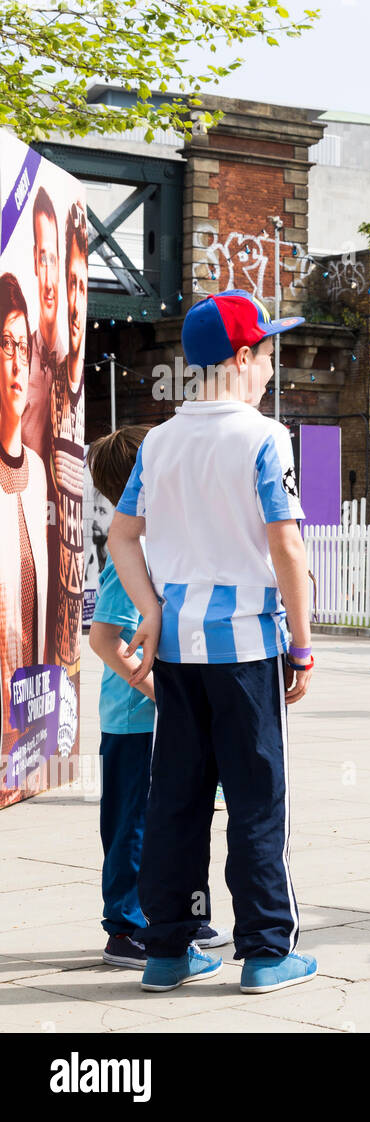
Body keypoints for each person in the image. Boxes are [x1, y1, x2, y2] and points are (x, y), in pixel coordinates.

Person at [107, 289, 316, 994]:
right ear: (244, 357)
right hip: (247, 648)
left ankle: (168, 949)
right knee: (258, 798)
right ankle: (264, 950)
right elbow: (286, 545)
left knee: (179, 798)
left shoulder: (160, 441)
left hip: (178, 653)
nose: (269, 370)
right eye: (266, 354)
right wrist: (304, 643)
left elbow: (122, 536)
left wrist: (151, 608)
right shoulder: (264, 436)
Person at [87, 425, 232, 967]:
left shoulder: (162, 545)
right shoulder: (133, 553)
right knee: (134, 825)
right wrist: (163, 695)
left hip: (163, 717)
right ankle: (125, 927)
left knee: (178, 820)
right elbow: (105, 639)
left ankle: (181, 916)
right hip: (135, 721)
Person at [0, 274, 47, 774]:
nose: (17, 362)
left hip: (26, 722)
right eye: (5, 343)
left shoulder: (36, 474)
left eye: (23, 345)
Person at [48, 202, 89, 678]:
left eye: (82, 284)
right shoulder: (49, 389)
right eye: (70, 286)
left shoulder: (76, 401)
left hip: (70, 641)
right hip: (49, 620)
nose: (77, 302)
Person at [21, 187, 61, 473]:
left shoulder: (71, 364)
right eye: (43, 259)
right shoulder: (16, 366)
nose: (49, 280)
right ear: (35, 260)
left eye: (54, 260)